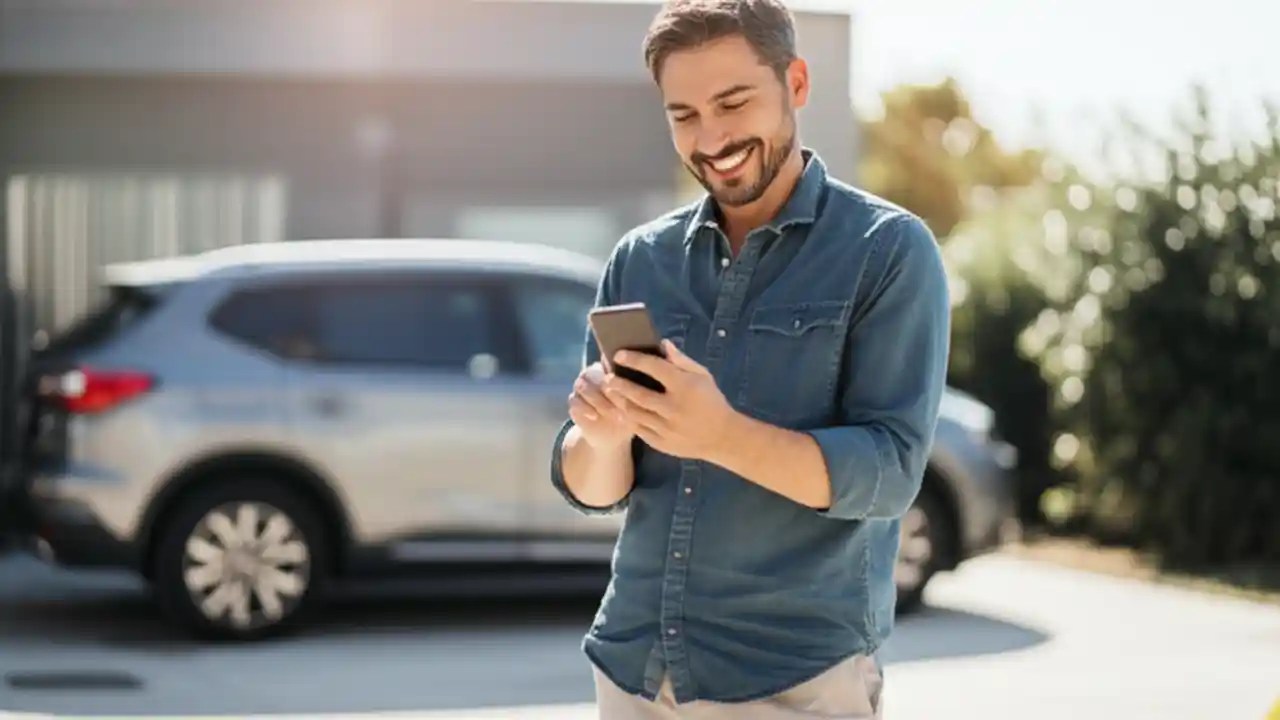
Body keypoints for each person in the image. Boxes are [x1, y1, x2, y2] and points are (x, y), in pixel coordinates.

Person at [549, 1, 951, 716]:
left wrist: (719, 434)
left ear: (795, 82)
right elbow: (595, 487)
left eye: (733, 102)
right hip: (634, 670)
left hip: (790, 681)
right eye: (684, 114)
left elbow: (889, 474)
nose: (712, 137)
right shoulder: (640, 260)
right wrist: (601, 438)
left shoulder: (888, 251)